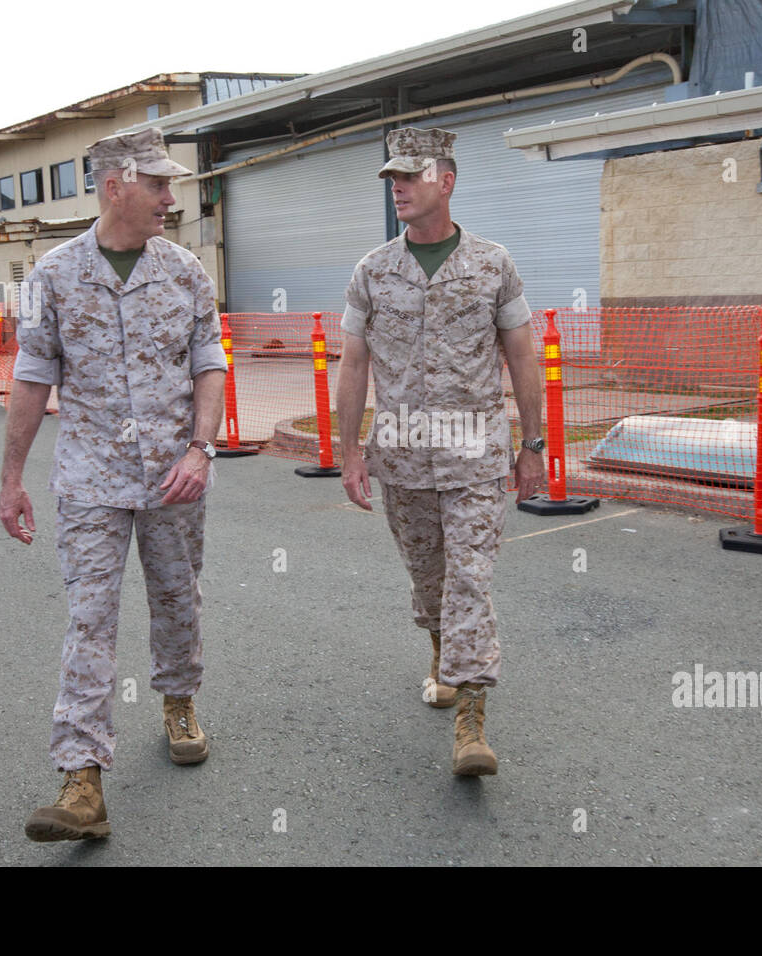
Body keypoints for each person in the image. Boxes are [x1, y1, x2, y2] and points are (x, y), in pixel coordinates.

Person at [0, 128, 227, 841]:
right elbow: (31, 378)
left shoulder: (185, 271)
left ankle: (179, 700)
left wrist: (201, 450)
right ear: (114, 187)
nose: (170, 196)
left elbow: (210, 364)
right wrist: (11, 479)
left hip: (173, 476)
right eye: (157, 184)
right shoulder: (51, 276)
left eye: (170, 183)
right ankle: (82, 778)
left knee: (177, 599)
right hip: (89, 480)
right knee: (89, 619)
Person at [335, 127, 545, 777]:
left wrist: (533, 445)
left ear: (446, 181)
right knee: (429, 581)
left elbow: (523, 357)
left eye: (410, 176)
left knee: (470, 579)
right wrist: (349, 452)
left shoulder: (493, 264)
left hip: (475, 456)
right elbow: (353, 364)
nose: (398, 187)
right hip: (403, 459)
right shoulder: (372, 271)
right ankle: (441, 653)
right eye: (392, 178)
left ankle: (471, 722)